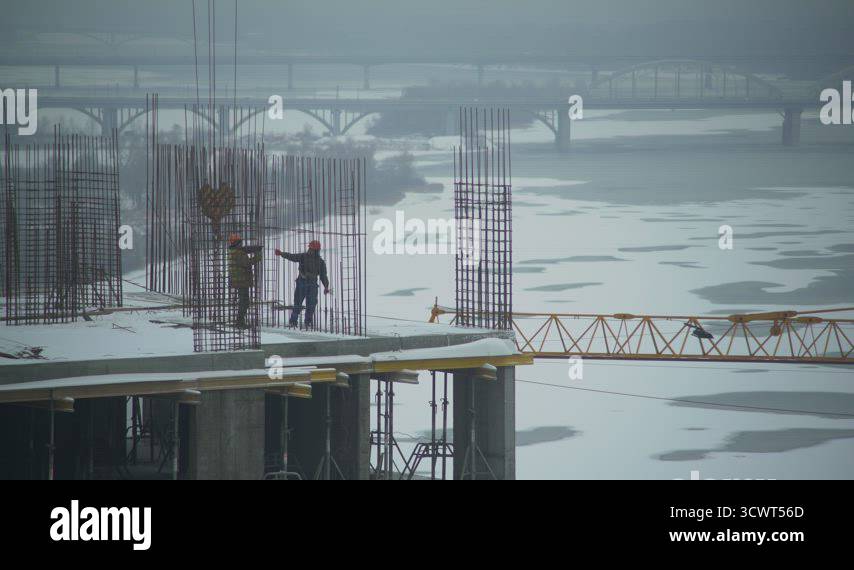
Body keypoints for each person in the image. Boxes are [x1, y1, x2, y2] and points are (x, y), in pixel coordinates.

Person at [275, 240, 331, 328]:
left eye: (312, 249)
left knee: (311, 304)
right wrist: (282, 253)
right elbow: (292, 256)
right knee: (297, 303)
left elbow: (323, 276)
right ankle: (293, 321)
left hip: (312, 285)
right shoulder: (303, 256)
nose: (310, 250)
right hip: (302, 283)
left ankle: (308, 322)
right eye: (310, 249)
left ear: (316, 251)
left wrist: (326, 286)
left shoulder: (320, 262)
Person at [227, 233, 261, 329]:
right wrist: (258, 256)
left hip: (238, 280)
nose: (241, 244)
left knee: (244, 301)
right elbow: (247, 263)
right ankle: (240, 321)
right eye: (240, 242)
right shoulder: (238, 253)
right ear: (237, 243)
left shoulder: (233, 251)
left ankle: (240, 320)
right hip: (242, 281)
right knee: (244, 302)